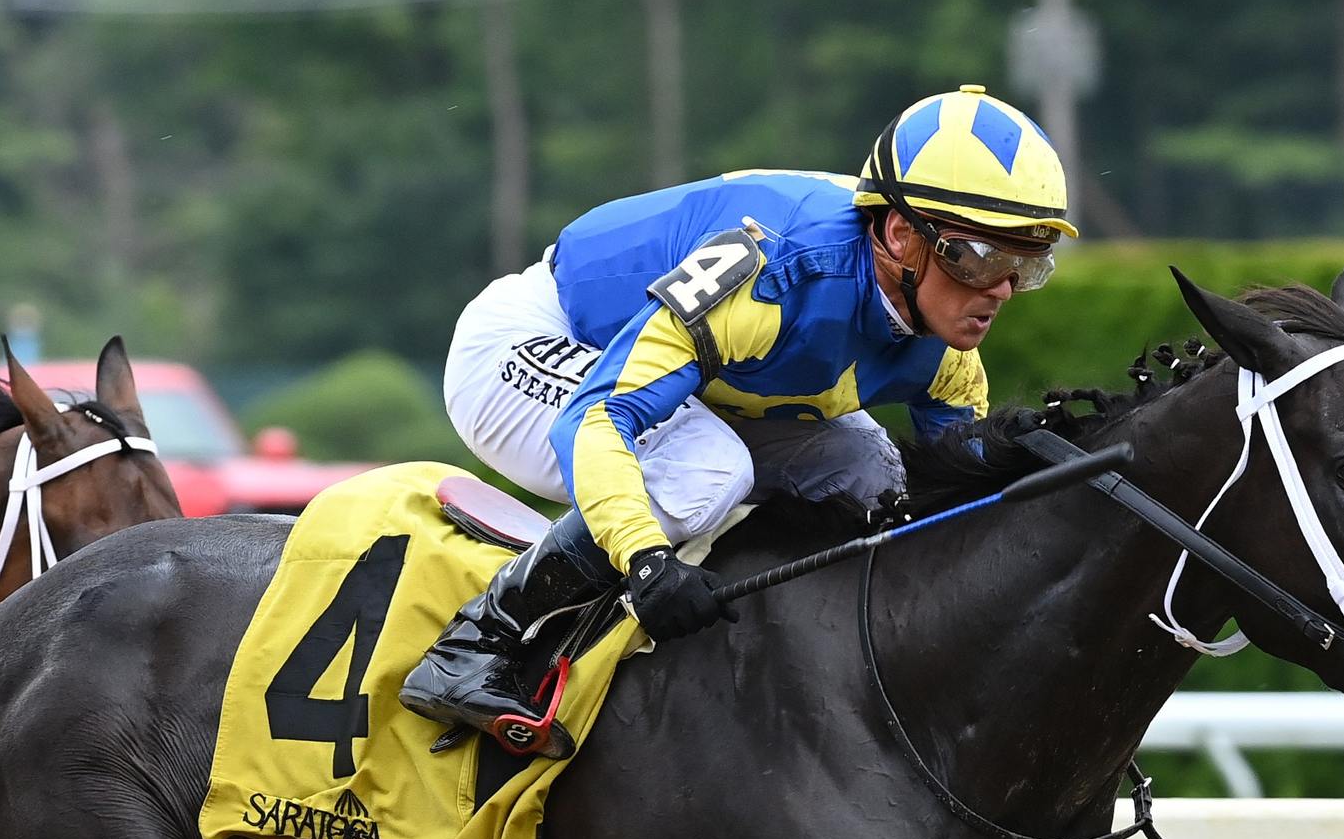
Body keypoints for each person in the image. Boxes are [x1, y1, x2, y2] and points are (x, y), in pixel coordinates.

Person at [405, 84, 1071, 755]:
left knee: (876, 477)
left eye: (1026, 264)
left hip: (708, 385)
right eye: (981, 258)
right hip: (541, 343)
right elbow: (599, 416)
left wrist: (1056, 462)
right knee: (707, 472)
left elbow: (968, 498)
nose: (1001, 290)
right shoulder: (772, 272)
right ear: (901, 234)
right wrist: (646, 564)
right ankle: (476, 641)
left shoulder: (946, 348)